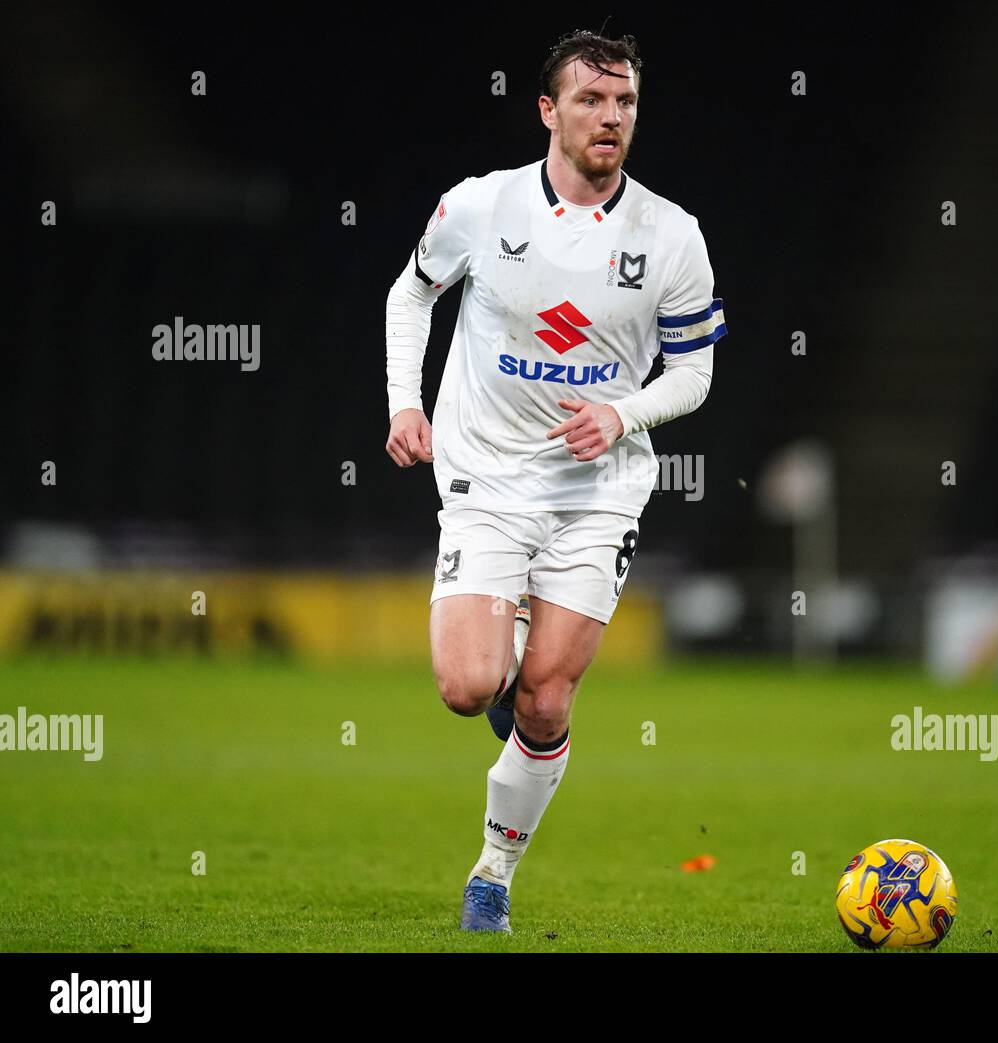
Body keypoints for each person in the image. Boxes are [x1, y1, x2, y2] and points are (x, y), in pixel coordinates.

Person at [383, 28, 727, 934]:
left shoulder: (673, 236)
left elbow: (694, 374)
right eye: (591, 100)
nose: (610, 118)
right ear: (549, 111)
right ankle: (504, 651)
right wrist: (402, 404)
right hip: (487, 477)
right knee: (468, 686)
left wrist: (624, 413)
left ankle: (492, 875)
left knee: (546, 698)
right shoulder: (482, 207)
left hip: (597, 489)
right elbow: (411, 292)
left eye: (624, 104)